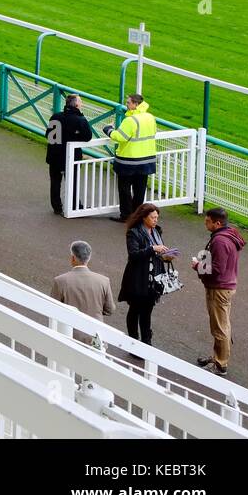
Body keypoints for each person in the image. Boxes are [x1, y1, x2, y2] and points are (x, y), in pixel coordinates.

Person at [193, 208, 245, 377]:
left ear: (218, 223)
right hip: (227, 286)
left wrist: (198, 266)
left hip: (219, 288)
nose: (205, 223)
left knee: (220, 327)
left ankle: (220, 364)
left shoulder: (219, 241)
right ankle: (218, 357)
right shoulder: (230, 235)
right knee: (223, 325)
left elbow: (217, 269)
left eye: (208, 221)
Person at [118, 202, 174, 345]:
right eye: (153, 217)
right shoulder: (134, 232)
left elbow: (158, 253)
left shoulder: (156, 231)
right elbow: (133, 255)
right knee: (135, 309)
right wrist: (153, 249)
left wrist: (166, 256)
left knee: (147, 310)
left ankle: (146, 342)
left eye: (157, 217)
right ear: (143, 217)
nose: (156, 220)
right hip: (138, 278)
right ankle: (133, 340)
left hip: (153, 278)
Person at [105, 93, 157, 222]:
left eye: (128, 102)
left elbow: (119, 137)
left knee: (124, 190)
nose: (126, 105)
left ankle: (126, 215)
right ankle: (137, 215)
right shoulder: (150, 117)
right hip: (147, 159)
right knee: (140, 190)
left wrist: (108, 129)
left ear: (136, 104)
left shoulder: (130, 120)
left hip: (128, 160)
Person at [46, 93, 93, 215]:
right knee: (72, 181)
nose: (82, 103)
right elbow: (88, 137)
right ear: (76, 104)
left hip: (54, 155)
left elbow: (49, 136)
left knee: (55, 181)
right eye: (81, 101)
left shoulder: (55, 116)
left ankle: (57, 207)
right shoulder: (80, 119)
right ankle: (74, 205)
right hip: (71, 157)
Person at [49, 241, 117, 322]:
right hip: (95, 331)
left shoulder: (60, 281)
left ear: (73, 258)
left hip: (69, 330)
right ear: (88, 258)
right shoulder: (104, 281)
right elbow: (110, 309)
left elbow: (52, 308)